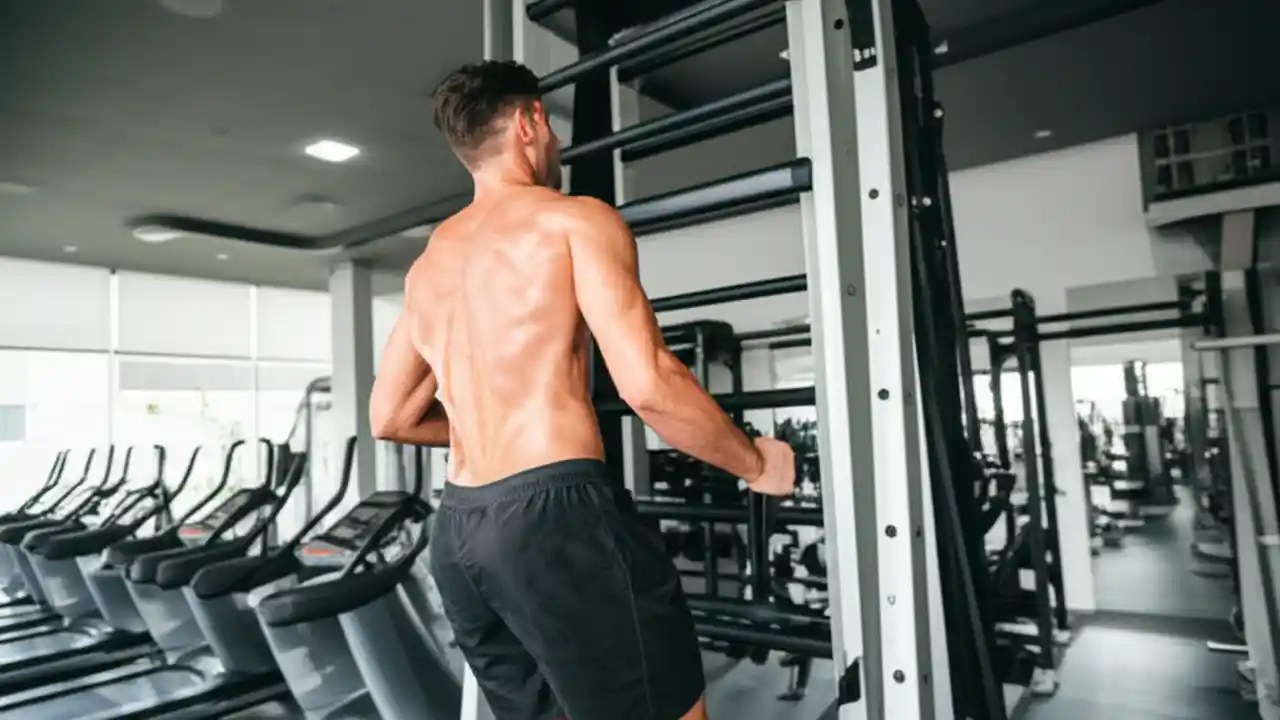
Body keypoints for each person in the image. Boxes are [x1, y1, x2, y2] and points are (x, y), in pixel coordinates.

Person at [369, 60, 797, 720]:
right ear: (530, 121)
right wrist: (755, 462)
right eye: (553, 128)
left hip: (458, 532)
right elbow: (650, 386)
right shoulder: (573, 221)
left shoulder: (432, 261)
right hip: (555, 522)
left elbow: (390, 415)